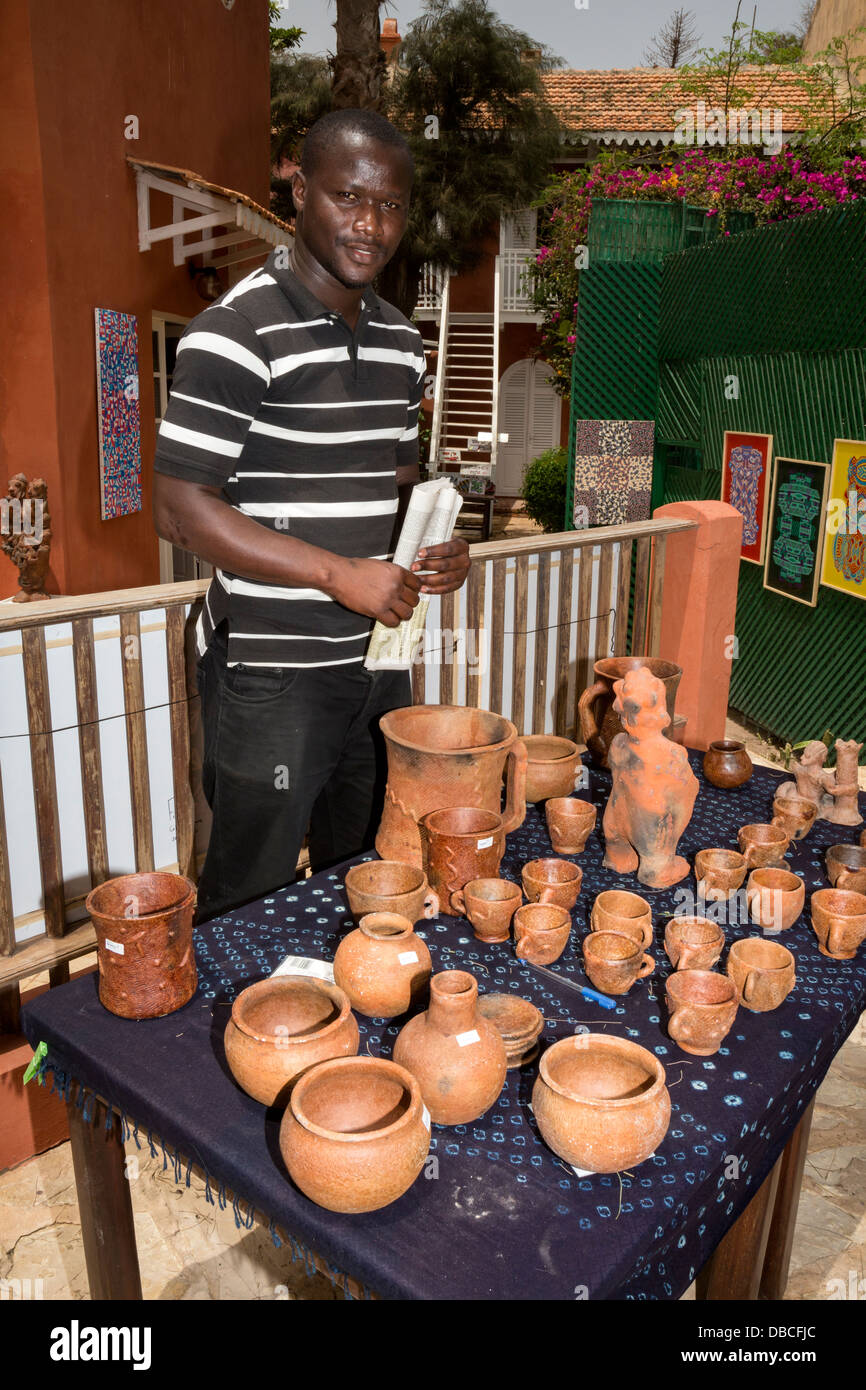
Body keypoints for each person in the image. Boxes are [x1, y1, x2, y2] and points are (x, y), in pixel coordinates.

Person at [152, 109, 470, 920]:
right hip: (271, 671)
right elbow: (179, 509)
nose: (371, 225)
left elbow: (398, 482)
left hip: (377, 657)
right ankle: (242, 1037)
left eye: (392, 205)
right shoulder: (234, 332)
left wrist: (440, 548)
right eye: (348, 197)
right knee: (249, 888)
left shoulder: (403, 342)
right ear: (298, 190)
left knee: (370, 869)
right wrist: (335, 573)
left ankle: (349, 1031)